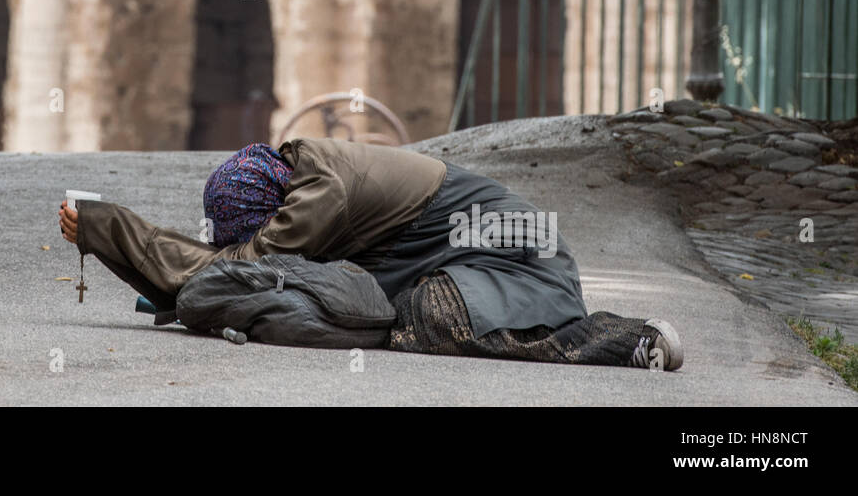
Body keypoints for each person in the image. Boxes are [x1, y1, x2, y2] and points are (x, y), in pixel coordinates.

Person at [58, 138, 683, 370]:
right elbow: (240, 264)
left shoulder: (319, 195)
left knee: (425, 323)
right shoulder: (303, 174)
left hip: (513, 258)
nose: (239, 242)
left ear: (271, 209)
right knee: (381, 311)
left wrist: (105, 225)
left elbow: (239, 270)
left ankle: (627, 340)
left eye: (245, 229)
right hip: (478, 257)